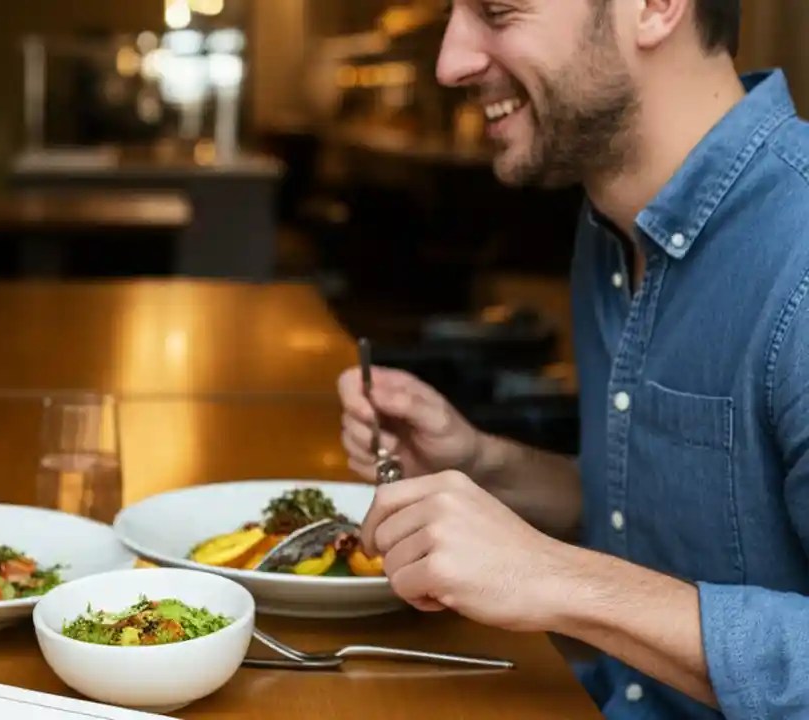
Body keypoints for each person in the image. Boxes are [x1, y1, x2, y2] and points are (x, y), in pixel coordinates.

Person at [339, 0, 809, 717]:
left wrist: (556, 579)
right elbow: (678, 520)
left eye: (497, 12)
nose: (450, 61)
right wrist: (482, 464)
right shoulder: (612, 223)